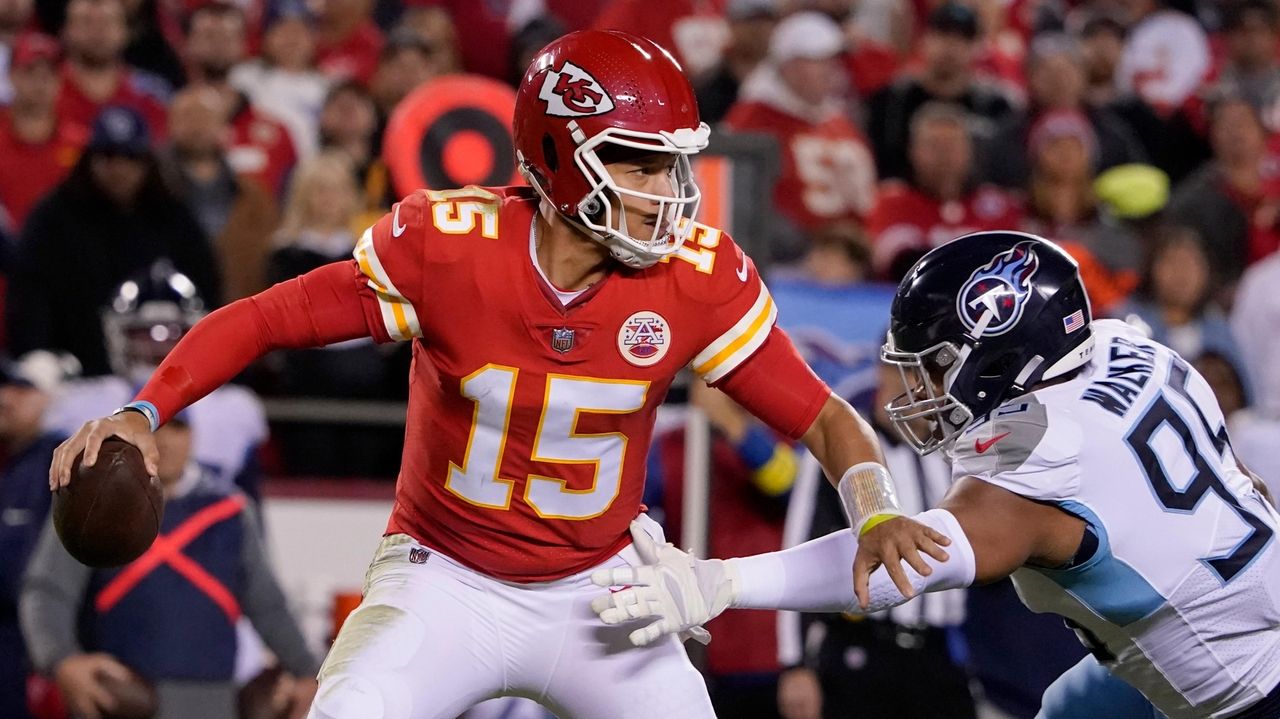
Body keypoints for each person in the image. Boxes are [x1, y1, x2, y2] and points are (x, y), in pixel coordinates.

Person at [48, 30, 945, 718]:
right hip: (445, 577)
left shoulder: (695, 274)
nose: (667, 187)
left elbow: (826, 418)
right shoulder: (450, 247)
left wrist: (872, 505)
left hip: (604, 590)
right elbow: (264, 316)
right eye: (638, 159)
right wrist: (144, 406)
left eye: (670, 159)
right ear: (560, 159)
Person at [595, 230, 1280, 719]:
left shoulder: (1039, 459)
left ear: (1002, 357)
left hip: (1240, 688)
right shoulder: (1127, 347)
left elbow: (891, 562)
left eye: (935, 367)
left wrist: (722, 581)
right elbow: (1245, 482)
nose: (909, 392)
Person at [22, 414, 318, 719]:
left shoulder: (231, 510)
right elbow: (47, 590)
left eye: (177, 427)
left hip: (214, 702)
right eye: (153, 429)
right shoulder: (94, 504)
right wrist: (62, 659)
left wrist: (310, 672)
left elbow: (268, 605)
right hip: (123, 700)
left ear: (193, 436)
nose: (163, 440)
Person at [6, 105, 221, 376]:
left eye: (130, 157)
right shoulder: (54, 219)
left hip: (166, 377)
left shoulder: (172, 218)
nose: (119, 169)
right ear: (90, 159)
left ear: (147, 161)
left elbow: (207, 294)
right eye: (108, 156)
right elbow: (30, 298)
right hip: (76, 377)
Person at [0, 351, 79, 719]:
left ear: (51, 396)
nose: (5, 398)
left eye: (22, 388)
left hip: (37, 647)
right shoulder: (13, 465)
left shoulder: (63, 464)